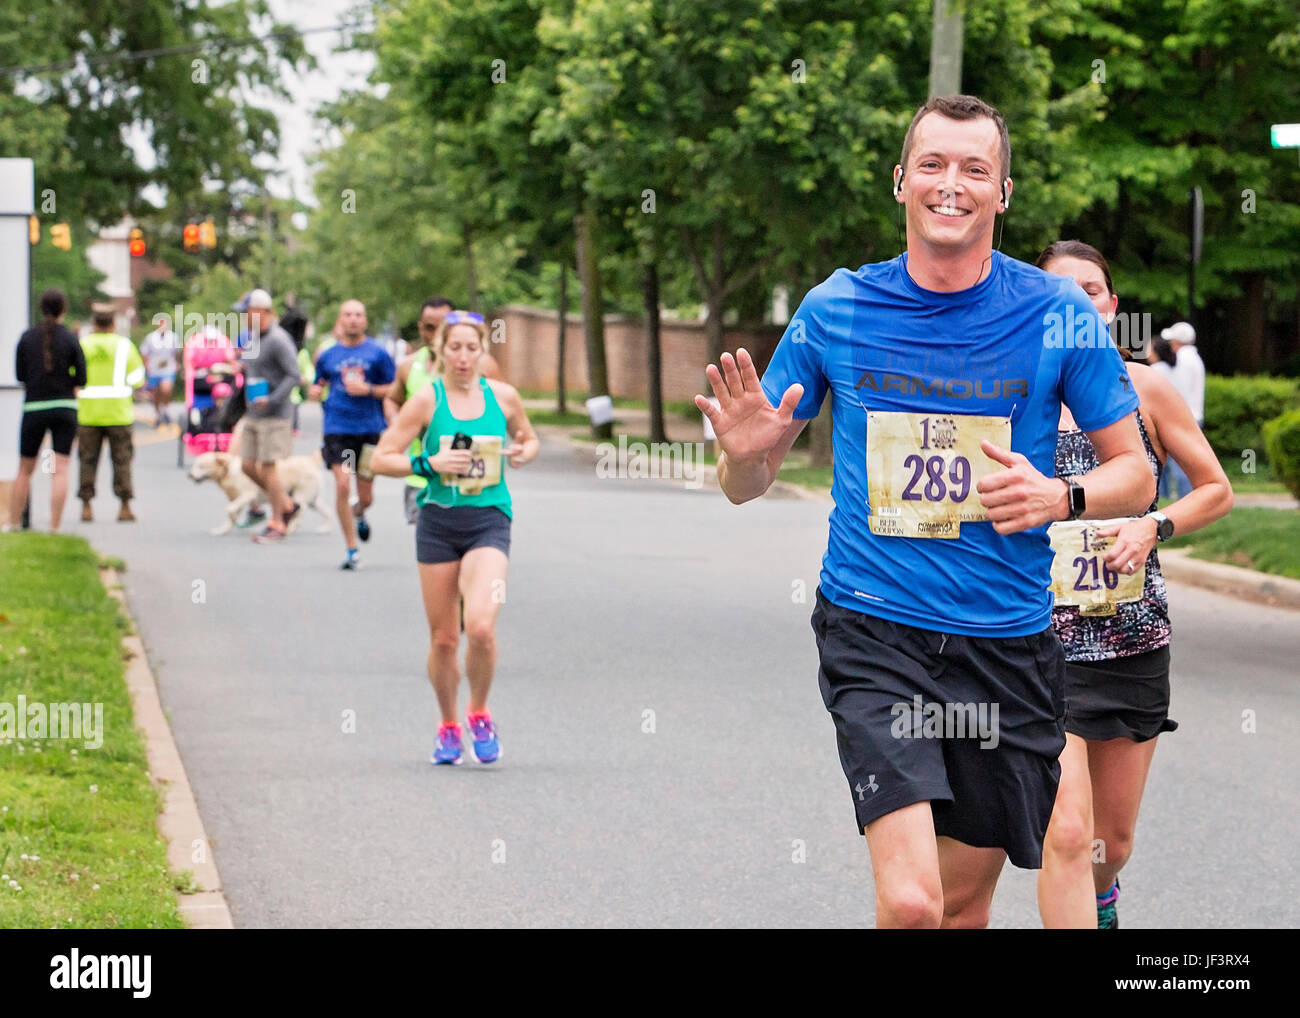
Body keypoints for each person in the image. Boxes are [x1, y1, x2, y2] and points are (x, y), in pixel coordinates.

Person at [697, 94, 1155, 928]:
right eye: (934, 165)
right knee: (911, 904)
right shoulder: (835, 308)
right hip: (875, 631)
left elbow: (1137, 471)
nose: (953, 184)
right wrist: (741, 454)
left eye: (976, 169)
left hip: (1005, 644)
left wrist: (1064, 496)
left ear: (1003, 193)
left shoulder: (1056, 316)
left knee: (961, 902)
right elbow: (745, 486)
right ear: (901, 182)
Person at [1034, 242, 1233, 928]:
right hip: (1037, 645)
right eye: (1060, 291)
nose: (1079, 302)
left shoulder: (1145, 389)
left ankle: (1102, 897)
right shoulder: (1010, 390)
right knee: (1065, 832)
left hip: (1130, 640)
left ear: (1110, 308)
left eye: (1092, 290)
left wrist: (1155, 528)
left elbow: (1215, 489)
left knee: (1108, 845)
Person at [370, 311, 539, 764]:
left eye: (472, 348)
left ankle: (479, 712)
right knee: (444, 639)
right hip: (439, 522)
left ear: (483, 350)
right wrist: (429, 464)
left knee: (480, 626)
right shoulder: (426, 400)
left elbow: (529, 437)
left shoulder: (502, 397)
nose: (463, 357)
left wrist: (524, 450)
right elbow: (380, 460)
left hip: (489, 518)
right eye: (455, 347)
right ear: (440, 350)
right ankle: (447, 725)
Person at [385, 297, 505, 525]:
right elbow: (392, 400)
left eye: (442, 327)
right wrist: (398, 423)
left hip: (474, 474)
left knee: (474, 541)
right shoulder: (408, 367)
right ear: (421, 328)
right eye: (430, 327)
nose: (436, 334)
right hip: (424, 475)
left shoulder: (485, 366)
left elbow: (502, 408)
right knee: (436, 545)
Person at [309, 299, 395, 569]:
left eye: (359, 314)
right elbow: (318, 384)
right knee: (343, 485)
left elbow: (393, 389)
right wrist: (314, 393)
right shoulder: (328, 355)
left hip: (369, 430)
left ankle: (359, 512)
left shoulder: (377, 354)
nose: (354, 319)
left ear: (365, 321)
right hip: (340, 430)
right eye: (348, 314)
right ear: (341, 320)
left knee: (366, 496)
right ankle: (351, 549)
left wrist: (368, 390)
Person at [6, 289, 86, 532]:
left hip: (35, 407)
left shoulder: (27, 337)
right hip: (64, 408)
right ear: (64, 309)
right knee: (59, 469)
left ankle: (13, 523)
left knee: (25, 469)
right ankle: (54, 527)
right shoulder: (71, 339)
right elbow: (82, 377)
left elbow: (20, 375)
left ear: (42, 309)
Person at [237, 289, 301, 543]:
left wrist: (272, 399)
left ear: (260, 312)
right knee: (247, 464)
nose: (243, 316)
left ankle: (278, 522)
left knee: (268, 467)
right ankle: (286, 504)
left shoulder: (278, 339)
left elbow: (293, 375)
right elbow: (257, 367)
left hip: (274, 413)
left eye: (246, 311)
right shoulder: (253, 338)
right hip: (253, 411)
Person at [77, 302, 146, 522]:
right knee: (122, 460)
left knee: (87, 460)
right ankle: (124, 505)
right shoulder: (125, 346)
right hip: (118, 413)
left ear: (94, 323)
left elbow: (72, 376)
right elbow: (137, 380)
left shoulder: (82, 346)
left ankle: (86, 505)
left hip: (88, 413)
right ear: (113, 324)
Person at [1152, 322, 1205, 501]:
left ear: (1177, 341)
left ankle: (1187, 500)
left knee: (1181, 466)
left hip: (1183, 417)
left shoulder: (1182, 360)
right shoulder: (1194, 358)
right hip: (1194, 415)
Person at [139, 320, 178, 427]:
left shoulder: (173, 337)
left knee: (166, 389)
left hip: (168, 368)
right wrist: (146, 365)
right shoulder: (150, 338)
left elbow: (176, 353)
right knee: (155, 394)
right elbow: (144, 352)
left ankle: (165, 409)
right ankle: (158, 413)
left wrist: (176, 364)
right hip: (154, 369)